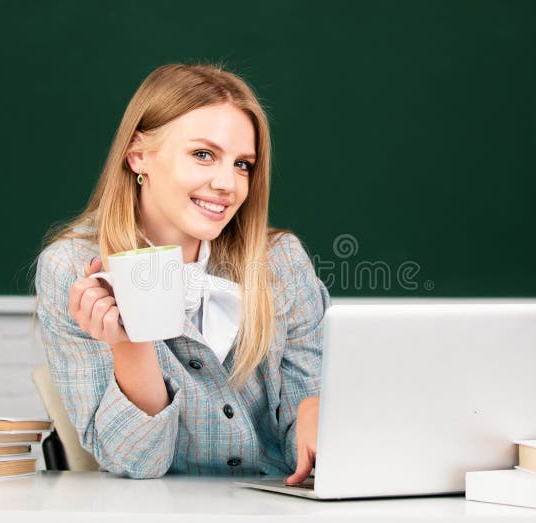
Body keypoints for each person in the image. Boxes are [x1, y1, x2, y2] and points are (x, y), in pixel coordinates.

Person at [34, 63, 330, 483]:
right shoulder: (72, 269)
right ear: (138, 155)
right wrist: (130, 343)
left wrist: (315, 411)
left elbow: (305, 448)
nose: (228, 184)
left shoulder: (280, 262)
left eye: (243, 164)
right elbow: (136, 463)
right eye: (203, 155)